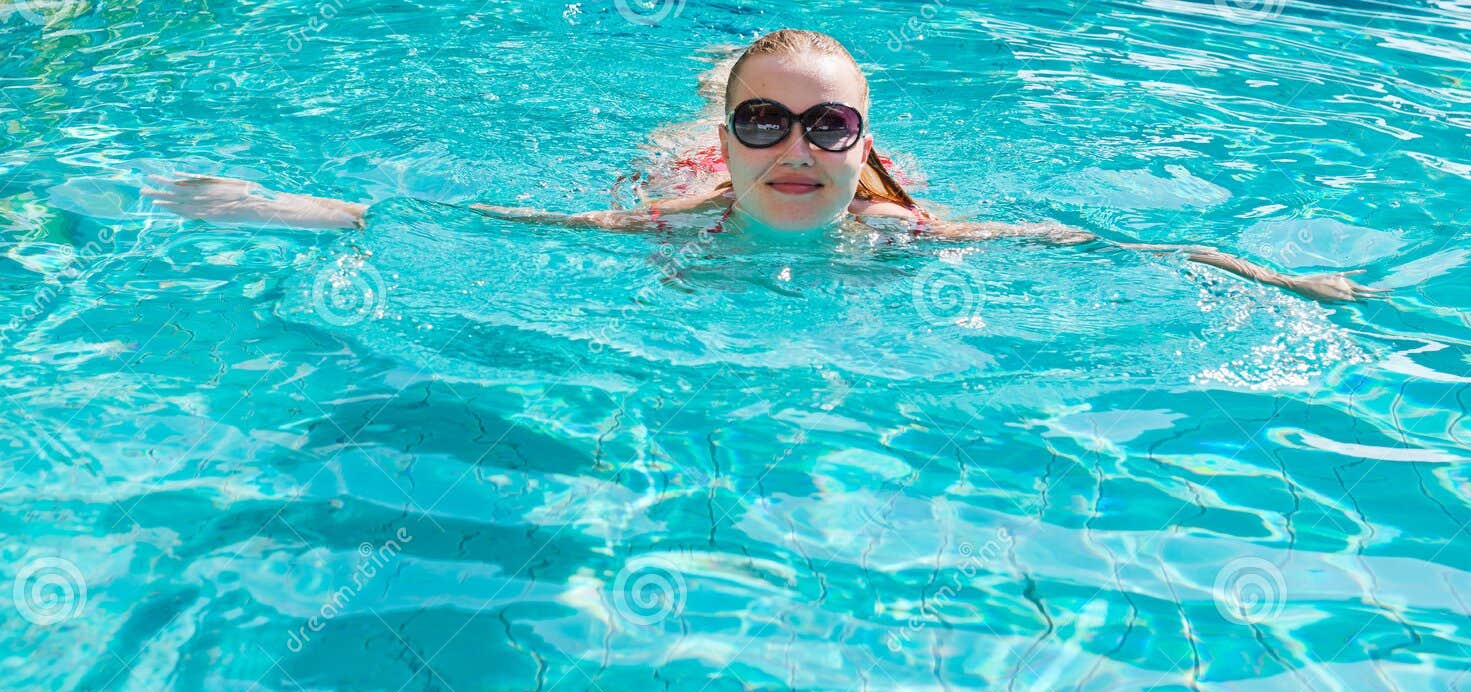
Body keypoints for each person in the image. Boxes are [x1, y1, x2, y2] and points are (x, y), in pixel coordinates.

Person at [143, 29, 1379, 303]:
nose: (796, 150)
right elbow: (486, 220)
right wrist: (267, 208)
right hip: (684, 179)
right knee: (654, 158)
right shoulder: (677, 220)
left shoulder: (903, 230)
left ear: (861, 142)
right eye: (765, 124)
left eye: (828, 127)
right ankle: (702, 86)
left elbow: (1104, 247)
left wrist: (1269, 277)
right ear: (734, 142)